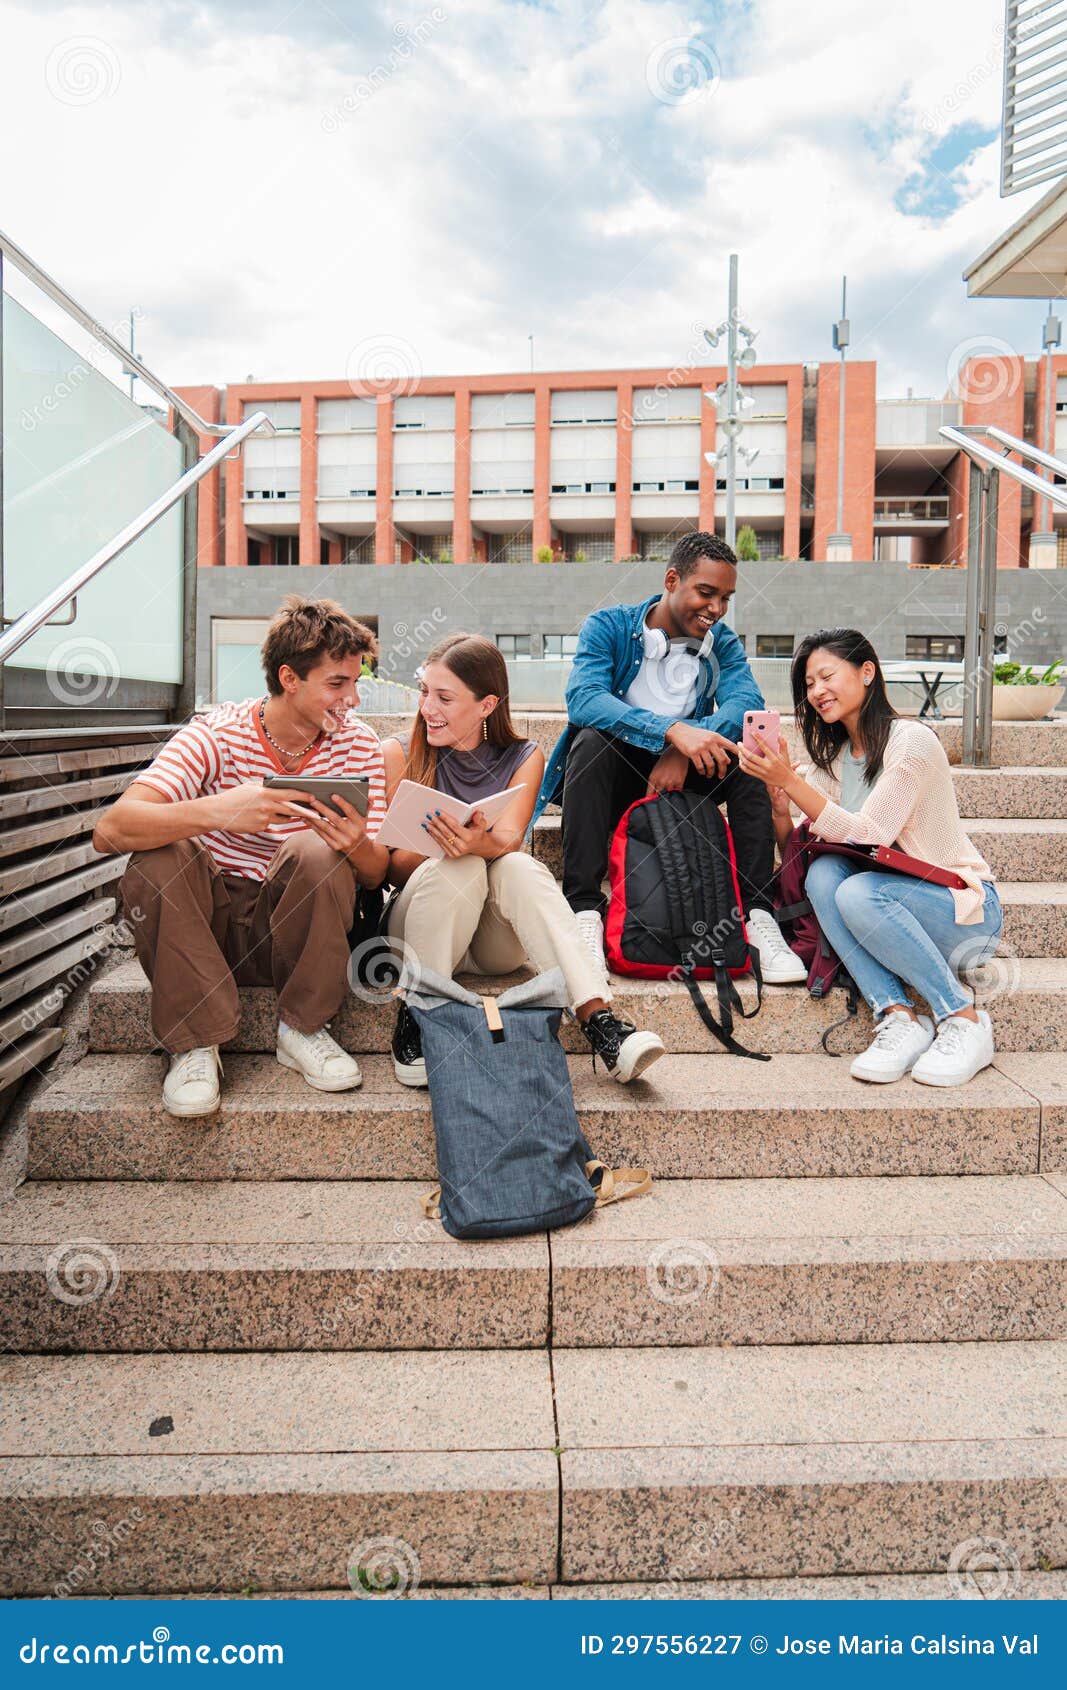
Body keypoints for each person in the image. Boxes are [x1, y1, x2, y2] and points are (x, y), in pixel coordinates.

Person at [93, 596, 390, 1118]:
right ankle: (194, 1044)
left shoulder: (359, 745)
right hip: (206, 935)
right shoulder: (217, 732)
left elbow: (377, 871)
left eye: (356, 682)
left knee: (315, 849)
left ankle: (303, 1029)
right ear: (289, 678)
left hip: (296, 932)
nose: (353, 699)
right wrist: (220, 811)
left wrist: (354, 844)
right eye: (338, 684)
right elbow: (111, 830)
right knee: (159, 857)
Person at [381, 633, 666, 1087]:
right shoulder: (398, 753)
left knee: (517, 865)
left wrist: (476, 841)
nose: (427, 708)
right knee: (460, 864)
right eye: (424, 692)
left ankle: (600, 1022)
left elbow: (510, 841)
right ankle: (417, 1013)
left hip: (492, 945)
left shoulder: (524, 756)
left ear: (487, 705)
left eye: (444, 697)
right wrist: (440, 843)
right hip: (421, 926)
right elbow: (390, 869)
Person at [532, 532, 807, 984]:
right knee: (591, 740)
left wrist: (683, 749)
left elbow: (745, 702)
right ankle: (584, 911)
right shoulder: (609, 626)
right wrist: (671, 733)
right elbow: (585, 699)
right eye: (706, 592)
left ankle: (756, 917)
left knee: (749, 755)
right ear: (672, 580)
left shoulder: (721, 643)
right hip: (614, 783)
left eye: (725, 598)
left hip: (687, 781)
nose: (716, 608)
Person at [738, 627, 1003, 1087]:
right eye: (808, 684)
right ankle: (898, 1015)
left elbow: (870, 833)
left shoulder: (911, 742)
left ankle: (964, 1018)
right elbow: (797, 858)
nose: (817, 691)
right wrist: (782, 806)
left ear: (866, 672)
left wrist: (793, 782)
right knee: (823, 875)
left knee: (857, 890)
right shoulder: (836, 760)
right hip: (884, 916)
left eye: (826, 676)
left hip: (963, 912)